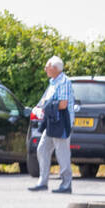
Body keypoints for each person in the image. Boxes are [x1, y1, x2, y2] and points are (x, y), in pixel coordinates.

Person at [28, 56, 74, 193]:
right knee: (42, 149)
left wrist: (46, 107)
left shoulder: (64, 82)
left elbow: (63, 104)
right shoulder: (53, 82)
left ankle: (66, 184)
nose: (45, 69)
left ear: (55, 68)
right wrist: (39, 107)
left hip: (61, 123)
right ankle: (42, 182)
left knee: (62, 153)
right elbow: (46, 100)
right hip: (51, 122)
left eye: (47, 66)